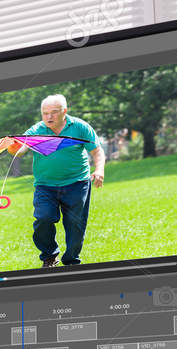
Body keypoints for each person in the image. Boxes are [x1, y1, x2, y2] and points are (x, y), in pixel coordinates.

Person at [9, 93, 105, 267]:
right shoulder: (36, 130)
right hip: (45, 186)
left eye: (53, 112)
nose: (49, 117)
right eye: (45, 113)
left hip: (77, 183)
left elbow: (97, 151)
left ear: (64, 111)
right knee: (43, 219)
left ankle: (71, 261)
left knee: (75, 225)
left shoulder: (80, 127)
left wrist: (99, 170)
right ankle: (49, 256)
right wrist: (14, 147)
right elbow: (21, 150)